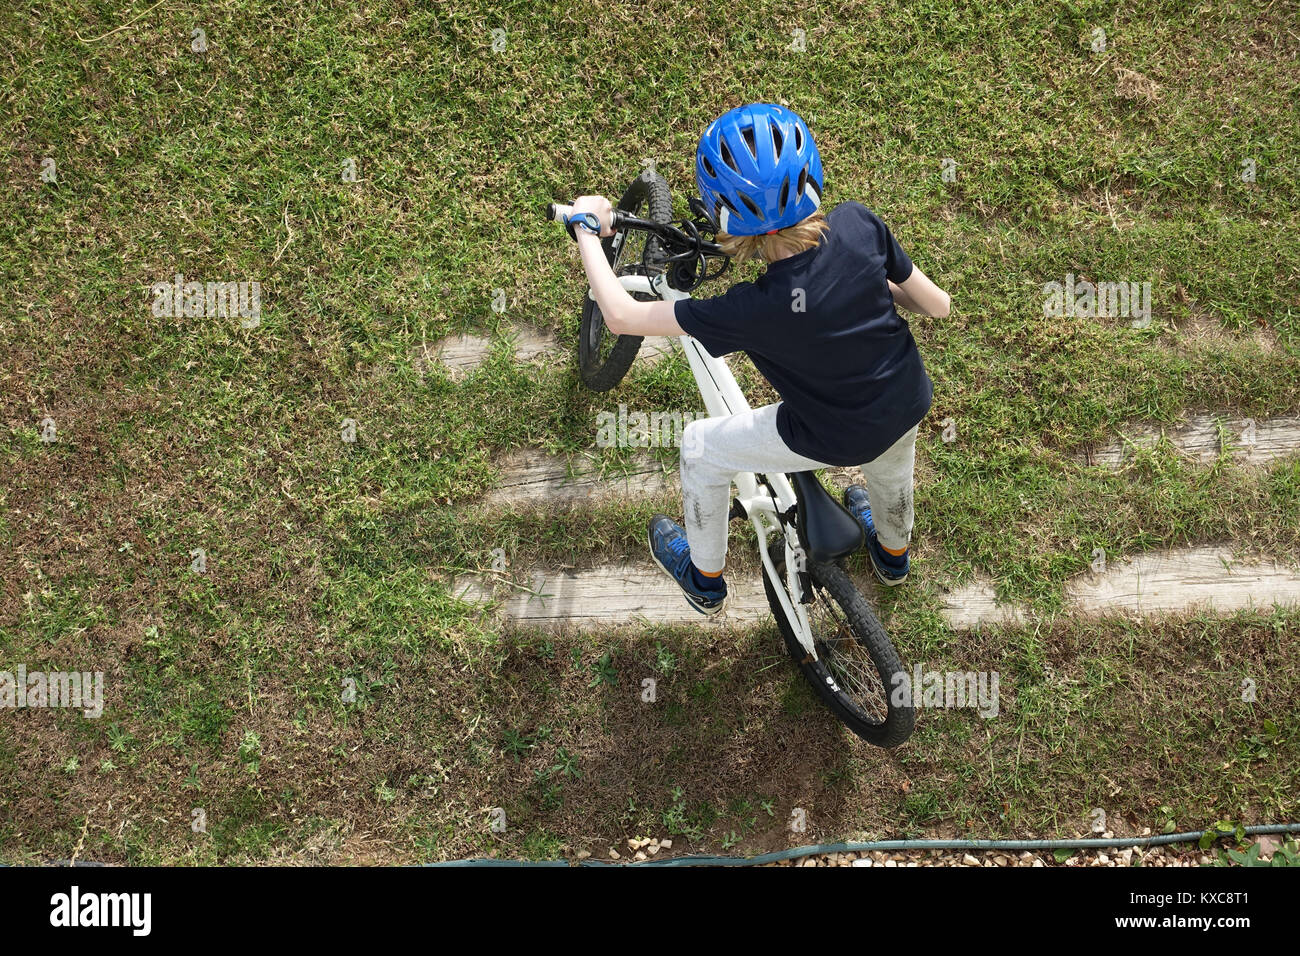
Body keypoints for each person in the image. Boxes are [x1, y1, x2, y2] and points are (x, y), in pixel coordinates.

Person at [567, 103, 950, 615]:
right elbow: (936, 305)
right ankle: (893, 555)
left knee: (700, 447)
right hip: (905, 399)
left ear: (721, 211)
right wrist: (862, 289)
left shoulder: (749, 309)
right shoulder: (859, 225)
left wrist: (586, 231)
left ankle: (703, 581)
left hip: (829, 434)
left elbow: (619, 315)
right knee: (890, 469)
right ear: (811, 177)